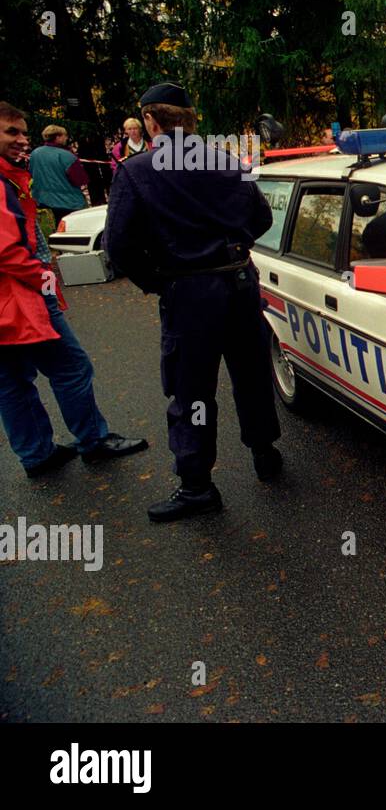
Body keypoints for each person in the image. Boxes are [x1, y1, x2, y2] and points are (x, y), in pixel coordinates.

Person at [105, 83, 283, 523]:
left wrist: (161, 281)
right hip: (239, 285)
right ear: (189, 119)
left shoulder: (136, 171)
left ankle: (197, 486)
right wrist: (233, 247)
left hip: (190, 294)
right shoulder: (227, 163)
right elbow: (262, 218)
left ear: (150, 121)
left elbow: (119, 248)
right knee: (251, 374)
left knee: (192, 391)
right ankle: (265, 453)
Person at [0, 102, 148, 477]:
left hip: (11, 295)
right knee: (70, 367)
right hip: (17, 298)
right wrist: (44, 280)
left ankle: (36, 455)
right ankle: (93, 441)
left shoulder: (16, 174)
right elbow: (7, 249)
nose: (21, 140)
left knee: (13, 381)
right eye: (11, 132)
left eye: (23, 132)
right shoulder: (3, 182)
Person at [28, 125, 88, 226]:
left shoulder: (35, 153)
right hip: (68, 201)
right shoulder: (67, 155)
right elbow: (80, 179)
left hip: (43, 198)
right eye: (65, 135)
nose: (66, 138)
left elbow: (31, 172)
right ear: (57, 137)